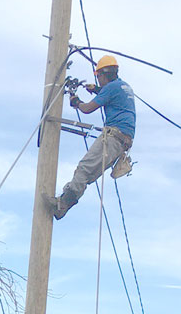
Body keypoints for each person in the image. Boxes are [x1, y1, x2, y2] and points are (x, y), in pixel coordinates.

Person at [52, 54, 136, 219]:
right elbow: (111, 96)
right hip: (122, 141)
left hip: (113, 137)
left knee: (84, 169)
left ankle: (62, 204)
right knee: (88, 174)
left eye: (98, 78)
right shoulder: (123, 86)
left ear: (102, 75)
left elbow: (87, 109)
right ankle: (63, 204)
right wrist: (97, 90)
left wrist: (76, 102)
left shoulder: (110, 89)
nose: (98, 81)